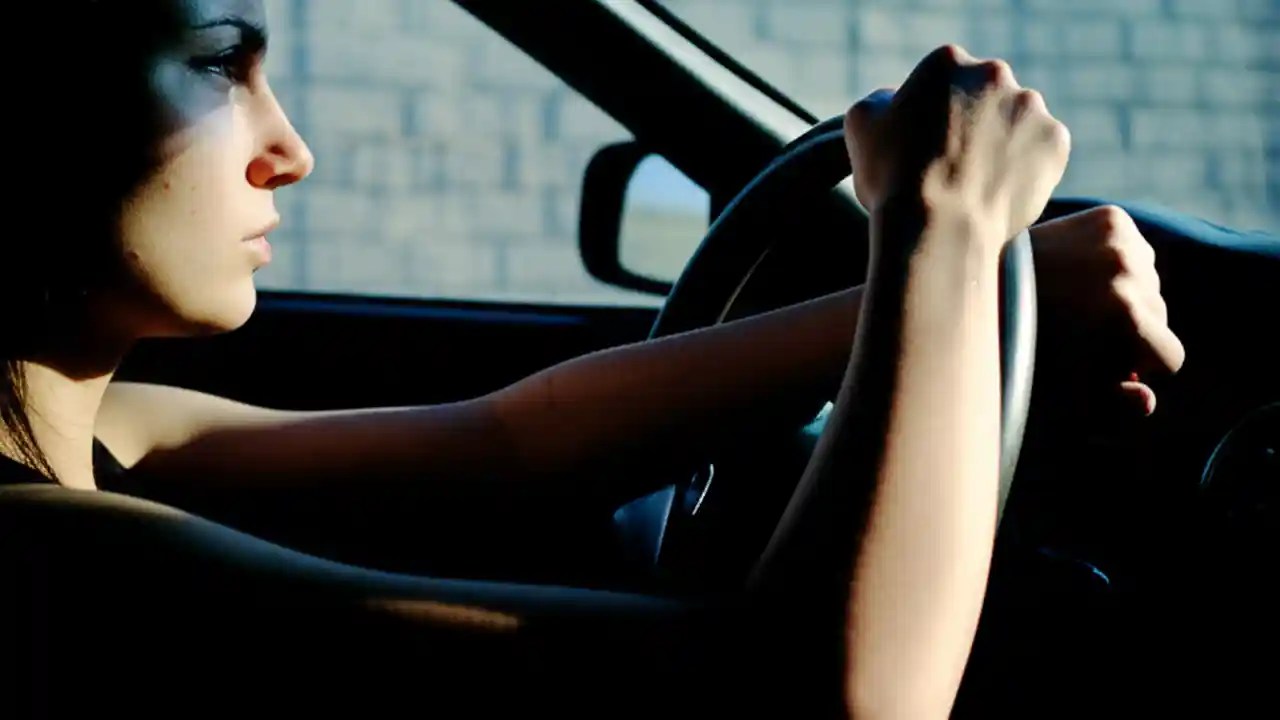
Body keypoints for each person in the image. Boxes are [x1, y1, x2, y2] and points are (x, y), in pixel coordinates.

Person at [0, 1, 1183, 717]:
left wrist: (978, 281)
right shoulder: (45, 552)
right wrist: (946, 224)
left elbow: (509, 445)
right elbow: (816, 693)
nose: (290, 150)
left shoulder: (114, 430)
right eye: (219, 64)